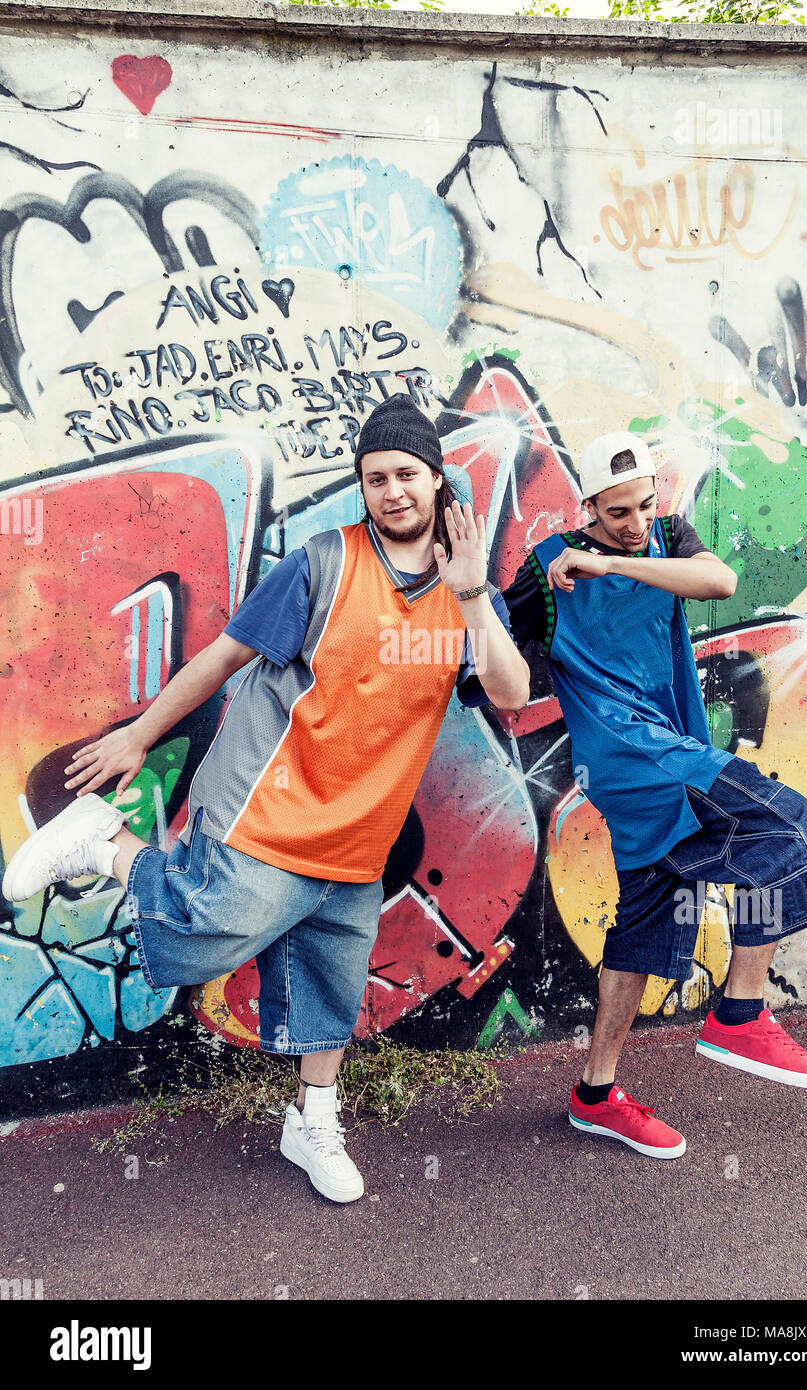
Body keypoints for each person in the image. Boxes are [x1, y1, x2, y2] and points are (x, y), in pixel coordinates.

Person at [3, 394, 530, 1201]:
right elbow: (220, 660)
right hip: (271, 805)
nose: (391, 491)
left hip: (361, 832)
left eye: (406, 474)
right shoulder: (323, 563)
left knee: (331, 984)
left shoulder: (463, 597)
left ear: (435, 480)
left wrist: (469, 596)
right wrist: (142, 736)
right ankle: (101, 843)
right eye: (375, 477)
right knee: (203, 929)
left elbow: (512, 690)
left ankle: (312, 1125)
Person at [502, 430, 807, 1160]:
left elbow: (718, 582)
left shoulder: (665, 537)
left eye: (642, 505)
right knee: (785, 828)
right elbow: (493, 658)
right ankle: (740, 1014)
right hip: (633, 761)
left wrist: (611, 559)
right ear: (586, 505)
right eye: (615, 512)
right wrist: (473, 602)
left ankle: (594, 1095)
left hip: (666, 761)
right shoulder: (548, 570)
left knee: (638, 933)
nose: (633, 523)